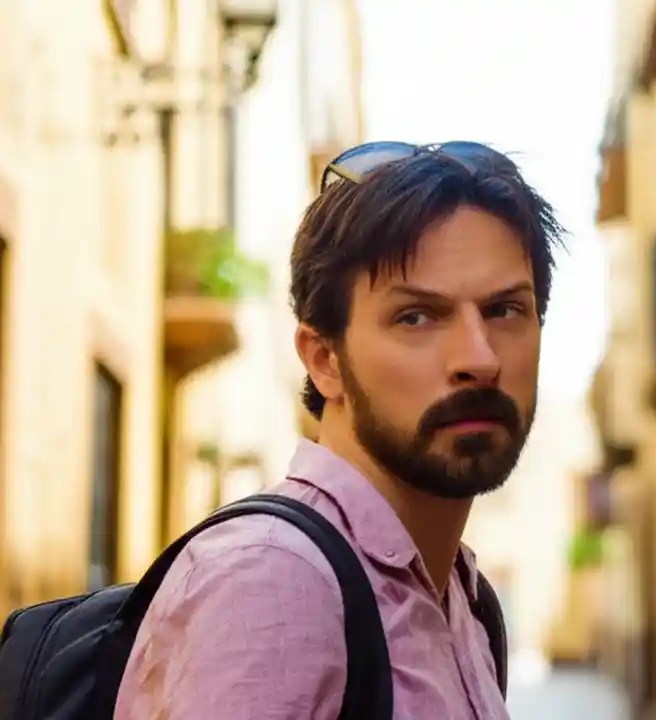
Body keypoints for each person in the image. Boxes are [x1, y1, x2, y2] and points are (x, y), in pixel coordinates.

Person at [115, 141, 564, 719]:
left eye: (505, 310)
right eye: (416, 317)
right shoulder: (272, 584)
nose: (479, 358)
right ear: (325, 359)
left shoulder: (463, 600)